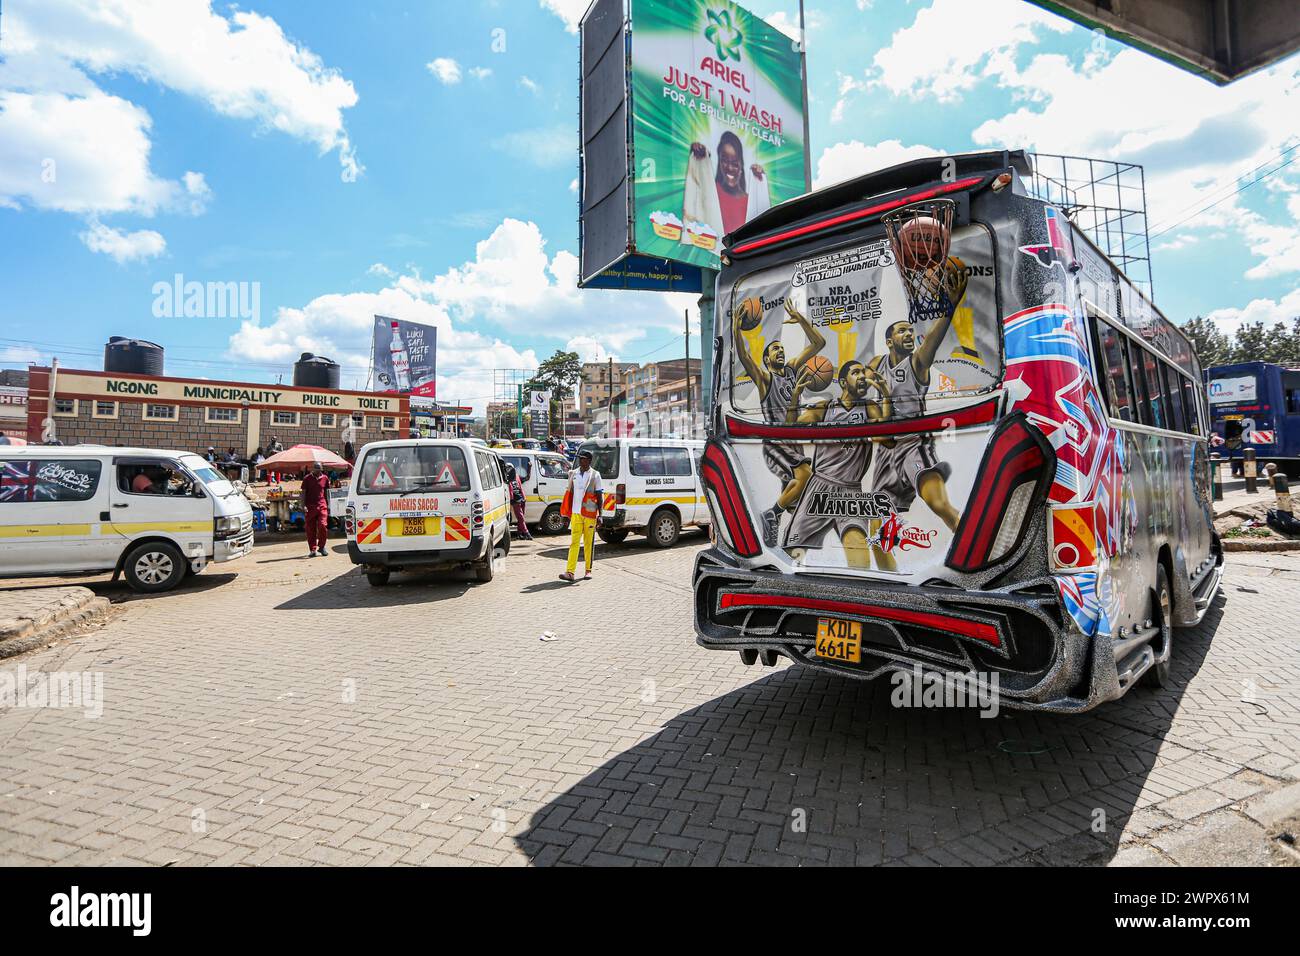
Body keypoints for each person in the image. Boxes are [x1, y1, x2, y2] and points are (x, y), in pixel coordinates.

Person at [732, 296, 826, 546]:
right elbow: (744, 356)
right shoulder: (765, 380)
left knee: (798, 500)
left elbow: (819, 342)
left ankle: (782, 545)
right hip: (776, 442)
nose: (781, 351)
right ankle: (771, 514)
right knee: (806, 476)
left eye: (782, 348)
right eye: (775, 349)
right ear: (766, 360)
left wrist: (801, 319)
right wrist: (735, 326)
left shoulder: (794, 370)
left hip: (794, 442)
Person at [685, 130, 771, 239]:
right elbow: (696, 193)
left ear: (741, 165)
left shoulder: (751, 204)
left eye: (734, 163)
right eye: (725, 161)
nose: (729, 168)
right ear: (719, 161)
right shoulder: (710, 191)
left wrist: (760, 183)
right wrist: (700, 160)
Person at [558, 448, 602, 582]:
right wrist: (566, 514)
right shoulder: (573, 474)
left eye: (582, 458)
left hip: (589, 514)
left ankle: (588, 570)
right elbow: (569, 495)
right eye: (579, 458)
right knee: (574, 543)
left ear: (589, 460)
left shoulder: (595, 475)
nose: (580, 460)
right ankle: (570, 572)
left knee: (588, 543)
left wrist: (600, 514)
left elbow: (600, 496)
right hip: (576, 514)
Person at [301, 461, 331, 557]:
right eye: (316, 469)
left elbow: (326, 492)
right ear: (313, 469)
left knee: (323, 526)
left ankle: (322, 547)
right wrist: (303, 505)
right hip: (310, 506)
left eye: (319, 469)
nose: (317, 471)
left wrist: (328, 504)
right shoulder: (307, 479)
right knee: (310, 529)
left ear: (321, 469)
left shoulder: (325, 478)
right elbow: (303, 493)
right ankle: (312, 549)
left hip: (322, 505)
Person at [503, 463, 532, 541]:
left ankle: (520, 534)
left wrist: (529, 468)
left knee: (521, 518)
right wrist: (511, 499)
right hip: (515, 500)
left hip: (521, 498)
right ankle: (526, 532)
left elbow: (526, 478)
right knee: (520, 517)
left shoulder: (516, 476)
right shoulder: (506, 478)